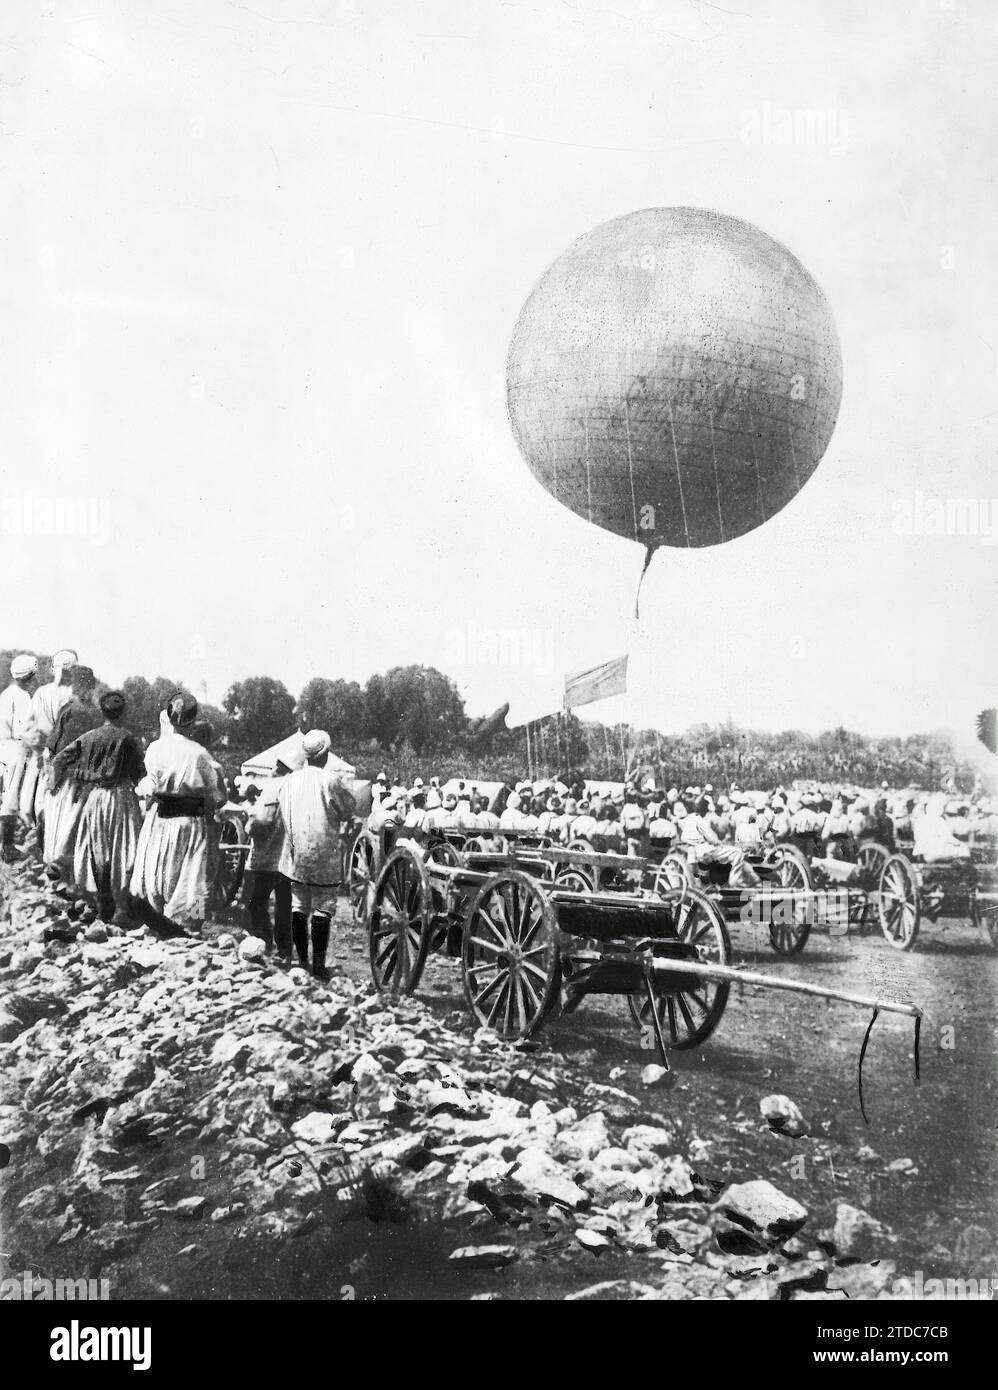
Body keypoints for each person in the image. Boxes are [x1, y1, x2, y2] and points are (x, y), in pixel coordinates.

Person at [130, 692, 226, 930]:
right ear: (192, 721)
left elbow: (150, 782)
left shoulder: (155, 748)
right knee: (194, 876)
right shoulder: (199, 754)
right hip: (191, 821)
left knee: (158, 869)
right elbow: (215, 795)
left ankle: (156, 919)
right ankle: (191, 925)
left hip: (160, 819)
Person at [277, 729, 356, 979]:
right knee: (324, 905)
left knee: (298, 903)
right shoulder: (330, 780)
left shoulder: (289, 780)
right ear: (326, 754)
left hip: (295, 850)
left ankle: (301, 961)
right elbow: (347, 810)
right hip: (323, 851)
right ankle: (319, 964)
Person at [66, 690, 145, 921]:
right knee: (123, 849)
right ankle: (120, 907)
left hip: (96, 795)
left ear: (102, 711)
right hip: (120, 796)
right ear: (123, 712)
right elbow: (139, 773)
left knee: (97, 850)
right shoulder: (127, 738)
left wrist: (80, 776)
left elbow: (62, 757)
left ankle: (101, 902)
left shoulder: (89, 736)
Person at [43, 666, 103, 880]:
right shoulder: (94, 712)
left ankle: (57, 866)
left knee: (59, 818)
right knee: (73, 822)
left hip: (66, 774)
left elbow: (58, 745)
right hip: (82, 774)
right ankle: (65, 869)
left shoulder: (71, 709)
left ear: (76, 686)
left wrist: (53, 769)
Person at [244, 761, 294, 959]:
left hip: (267, 857)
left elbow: (262, 822)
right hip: (288, 859)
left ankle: (262, 941)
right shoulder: (296, 789)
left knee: (257, 901)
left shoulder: (274, 787)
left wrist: (249, 827)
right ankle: (285, 950)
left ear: (278, 769)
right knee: (284, 905)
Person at [0, 654, 38, 859]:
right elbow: (23, 730)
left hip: (3, 746)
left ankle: (6, 845)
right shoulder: (23, 697)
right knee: (11, 799)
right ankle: (7, 847)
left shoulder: (7, 693)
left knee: (6, 796)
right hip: (15, 749)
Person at [680, 798, 761, 887]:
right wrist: (720, 844)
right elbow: (712, 838)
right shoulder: (702, 821)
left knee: (727, 854)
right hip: (706, 850)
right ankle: (735, 880)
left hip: (695, 851)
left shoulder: (688, 820)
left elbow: (684, 838)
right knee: (737, 852)